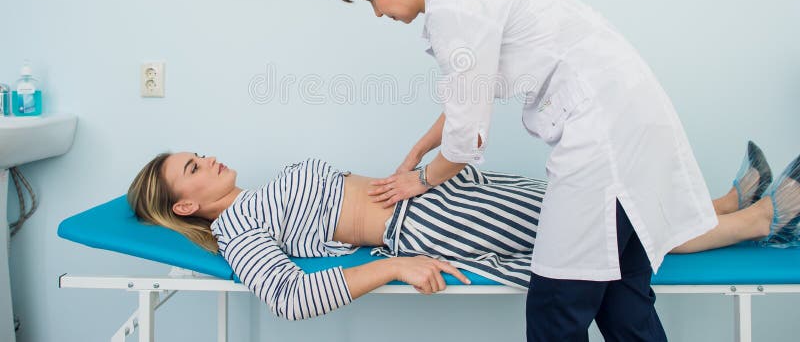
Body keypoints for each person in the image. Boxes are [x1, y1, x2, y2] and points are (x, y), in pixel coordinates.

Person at [330, 0, 758, 340]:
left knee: (554, 313)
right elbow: (469, 98)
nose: (377, 12)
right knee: (624, 307)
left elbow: (466, 141)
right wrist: (418, 151)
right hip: (628, 128)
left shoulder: (454, 9)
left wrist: (419, 180)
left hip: (603, 141)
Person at [127, 141, 800, 322]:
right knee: (596, 225)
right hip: (429, 221)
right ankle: (761, 217)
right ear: (187, 206)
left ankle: (720, 202)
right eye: (194, 166)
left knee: (589, 205)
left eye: (198, 152)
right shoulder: (241, 227)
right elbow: (288, 296)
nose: (208, 156)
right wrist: (393, 265)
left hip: (440, 197)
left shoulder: (256, 195)